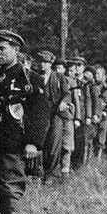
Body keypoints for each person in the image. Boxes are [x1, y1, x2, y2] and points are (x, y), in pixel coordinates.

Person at [0, 30, 48, 214]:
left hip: (15, 142)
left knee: (11, 188)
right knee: (0, 188)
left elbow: (40, 113)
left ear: (16, 50)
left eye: (2, 49)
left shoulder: (30, 78)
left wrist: (33, 143)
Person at [30, 50, 70, 180]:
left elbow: (67, 94)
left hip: (56, 115)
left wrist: (63, 103)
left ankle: (51, 173)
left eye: (45, 62)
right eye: (40, 62)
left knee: (54, 143)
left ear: (50, 63)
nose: (42, 65)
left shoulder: (59, 77)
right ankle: (38, 173)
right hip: (40, 115)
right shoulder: (34, 77)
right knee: (40, 143)